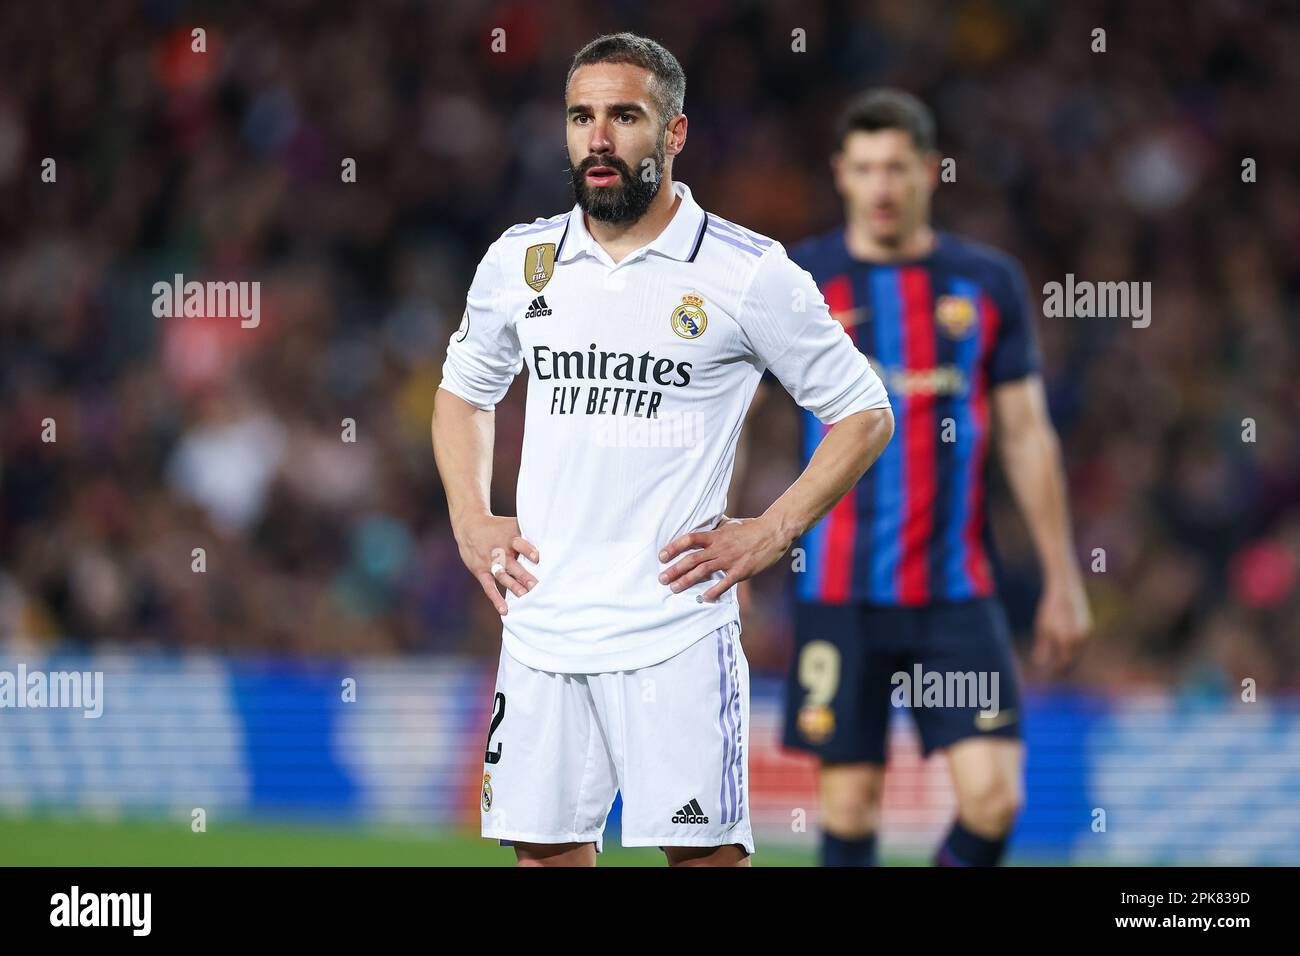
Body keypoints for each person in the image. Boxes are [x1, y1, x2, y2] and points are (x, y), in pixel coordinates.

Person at [431, 33, 894, 867]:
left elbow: (864, 410)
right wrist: (470, 515)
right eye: (581, 117)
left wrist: (773, 530)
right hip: (541, 628)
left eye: (624, 116)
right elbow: (465, 391)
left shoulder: (748, 273)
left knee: (704, 860)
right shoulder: (519, 262)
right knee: (542, 856)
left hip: (674, 632)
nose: (597, 138)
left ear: (674, 134)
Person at [779, 89, 1092, 866]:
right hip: (837, 591)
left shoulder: (986, 283)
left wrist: (1063, 576)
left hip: (955, 594)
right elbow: (731, 415)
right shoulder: (796, 279)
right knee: (849, 808)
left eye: (896, 168)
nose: (882, 187)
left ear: (928, 171)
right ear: (840, 175)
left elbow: (1025, 433)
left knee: (995, 798)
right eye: (865, 169)